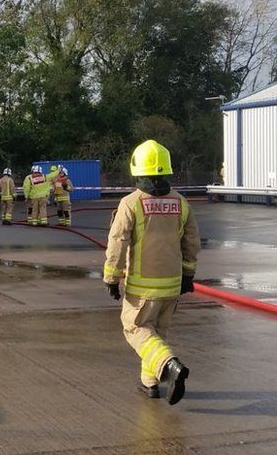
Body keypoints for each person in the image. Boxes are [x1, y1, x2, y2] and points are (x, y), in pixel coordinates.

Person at [103, 140, 201, 405]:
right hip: (171, 286)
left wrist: (111, 277)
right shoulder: (181, 203)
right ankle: (151, 384)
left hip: (142, 287)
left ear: (137, 168)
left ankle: (168, 365)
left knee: (135, 329)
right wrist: (188, 275)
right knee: (156, 333)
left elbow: (117, 241)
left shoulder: (131, 203)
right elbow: (192, 241)